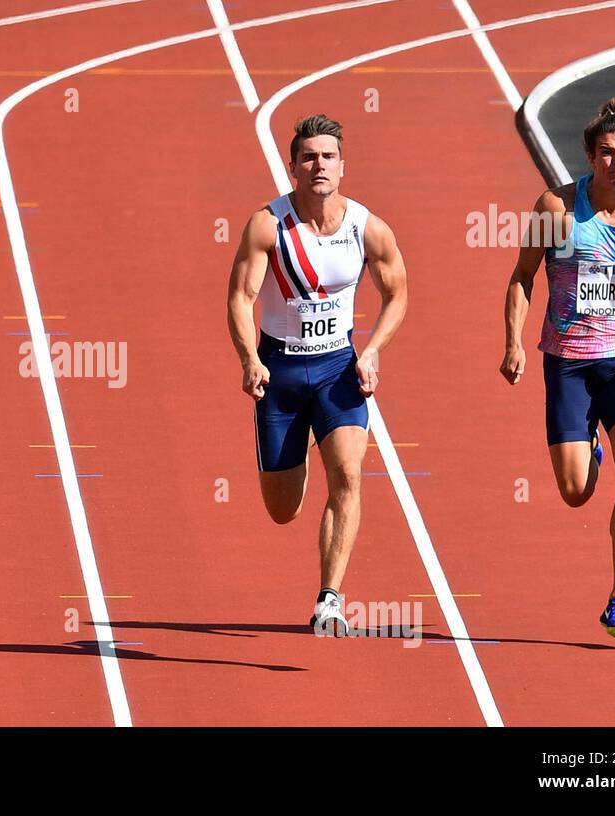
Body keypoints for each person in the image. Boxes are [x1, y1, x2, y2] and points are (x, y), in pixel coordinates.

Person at [501, 96, 615, 643]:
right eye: (605, 152)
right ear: (590, 156)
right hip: (569, 364)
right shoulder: (556, 209)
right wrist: (515, 343)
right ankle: (588, 448)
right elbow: (522, 277)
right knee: (576, 491)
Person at [227, 114, 408, 635]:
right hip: (279, 374)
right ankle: (299, 450)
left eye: (328, 156)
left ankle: (330, 598)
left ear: (343, 165)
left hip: (337, 369)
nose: (319, 166)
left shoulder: (368, 228)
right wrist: (249, 359)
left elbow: (398, 293)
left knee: (349, 474)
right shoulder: (267, 226)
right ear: (293, 167)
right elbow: (240, 298)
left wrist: (372, 351)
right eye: (309, 157)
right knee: (282, 510)